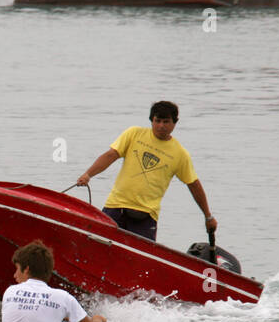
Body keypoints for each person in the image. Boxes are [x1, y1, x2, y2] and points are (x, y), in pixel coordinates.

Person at [75, 101, 218, 243]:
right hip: (116, 207)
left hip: (146, 215)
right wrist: (88, 174)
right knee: (97, 244)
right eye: (157, 121)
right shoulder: (134, 134)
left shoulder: (180, 154)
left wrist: (208, 217)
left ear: (175, 123)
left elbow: (194, 185)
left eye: (166, 122)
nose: (161, 126)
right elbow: (111, 155)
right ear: (151, 120)